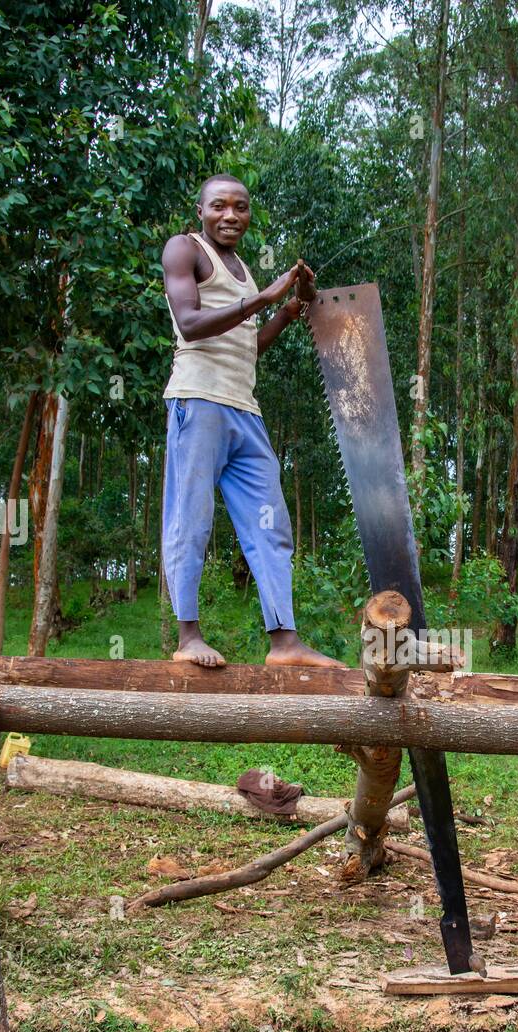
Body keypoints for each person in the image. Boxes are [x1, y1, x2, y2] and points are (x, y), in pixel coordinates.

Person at [161, 173, 345, 669]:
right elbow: (191, 325)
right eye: (219, 206)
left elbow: (247, 347)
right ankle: (188, 637)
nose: (230, 216)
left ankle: (285, 643)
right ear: (200, 210)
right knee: (191, 518)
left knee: (271, 525)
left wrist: (288, 309)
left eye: (240, 208)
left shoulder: (241, 268)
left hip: (245, 409)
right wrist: (263, 299)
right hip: (197, 402)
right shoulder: (184, 249)